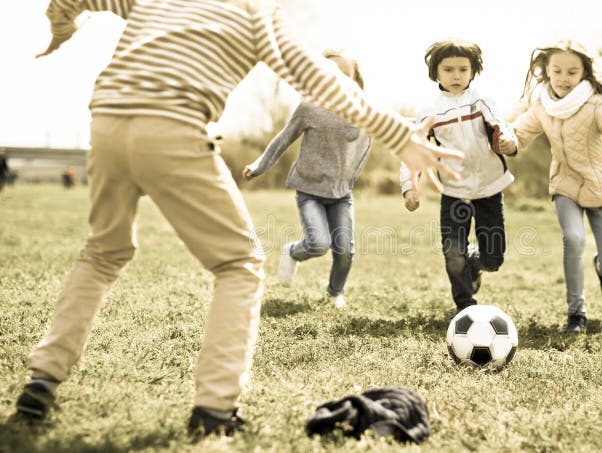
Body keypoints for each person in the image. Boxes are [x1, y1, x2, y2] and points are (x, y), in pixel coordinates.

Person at [16, 0, 463, 437]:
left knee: (102, 251)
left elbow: (67, 1)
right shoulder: (256, 15)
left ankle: (42, 380)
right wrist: (397, 135)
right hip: (172, 125)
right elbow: (322, 82)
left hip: (108, 123)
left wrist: (60, 32)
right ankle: (215, 408)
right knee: (239, 265)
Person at [512, 40, 602, 333]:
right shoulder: (542, 106)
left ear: (584, 73)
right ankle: (576, 313)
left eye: (572, 72)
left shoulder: (595, 104)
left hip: (600, 187)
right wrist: (504, 140)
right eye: (556, 71)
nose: (563, 78)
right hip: (564, 184)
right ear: (546, 71)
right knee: (573, 239)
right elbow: (518, 133)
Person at [243, 49, 370, 308]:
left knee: (345, 251)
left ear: (356, 81)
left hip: (341, 193)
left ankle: (335, 293)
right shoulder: (309, 108)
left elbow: (394, 127)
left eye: (344, 75)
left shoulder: (362, 112)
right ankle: (292, 251)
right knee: (319, 243)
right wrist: (259, 165)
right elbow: (283, 138)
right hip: (309, 189)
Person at [400, 39, 518, 314]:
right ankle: (465, 306)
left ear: (473, 71)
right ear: (436, 72)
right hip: (453, 191)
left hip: (489, 188)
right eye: (448, 69)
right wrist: (410, 186)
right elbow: (414, 150)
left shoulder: (482, 101)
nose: (456, 76)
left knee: (493, 259)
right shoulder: (429, 111)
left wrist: (509, 144)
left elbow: (502, 129)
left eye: (463, 69)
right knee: (453, 253)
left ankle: (476, 263)